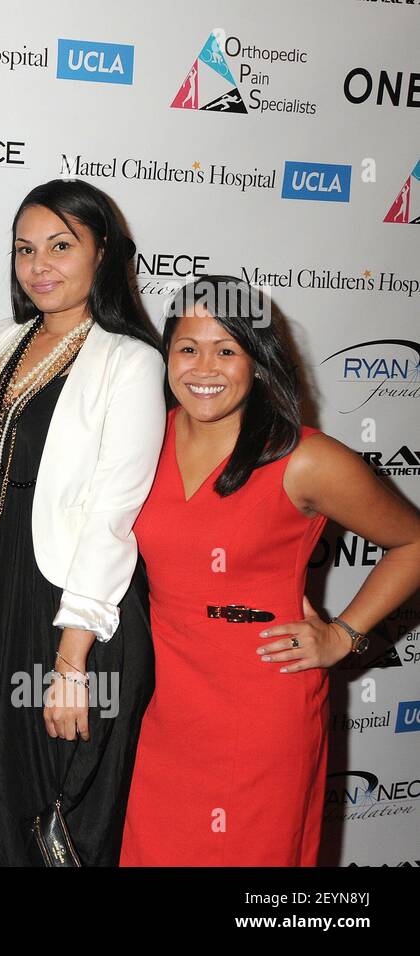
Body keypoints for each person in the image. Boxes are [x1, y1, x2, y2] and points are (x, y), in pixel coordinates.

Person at [121, 276, 420, 866]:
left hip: (261, 713)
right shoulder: (141, 437)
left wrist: (344, 634)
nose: (204, 367)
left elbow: (413, 542)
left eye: (227, 349)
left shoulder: (304, 458)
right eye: (188, 348)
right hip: (163, 710)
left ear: (258, 362)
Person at [0, 179, 163, 866]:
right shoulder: (6, 337)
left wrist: (71, 662)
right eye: (25, 249)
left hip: (60, 619)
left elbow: (111, 515)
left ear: (104, 253)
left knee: (39, 820)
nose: (40, 265)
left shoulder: (131, 361)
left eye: (61, 246)